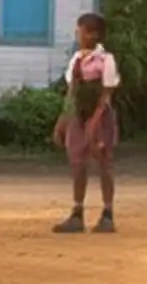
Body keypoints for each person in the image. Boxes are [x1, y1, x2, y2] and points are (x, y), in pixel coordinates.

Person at [52, 12, 120, 234]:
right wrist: (63, 119)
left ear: (94, 34)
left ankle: (108, 213)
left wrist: (94, 123)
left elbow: (106, 95)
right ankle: (77, 211)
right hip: (79, 116)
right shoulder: (77, 60)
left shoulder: (105, 60)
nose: (79, 34)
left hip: (99, 116)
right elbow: (71, 93)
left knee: (103, 163)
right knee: (78, 164)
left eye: (82, 30)